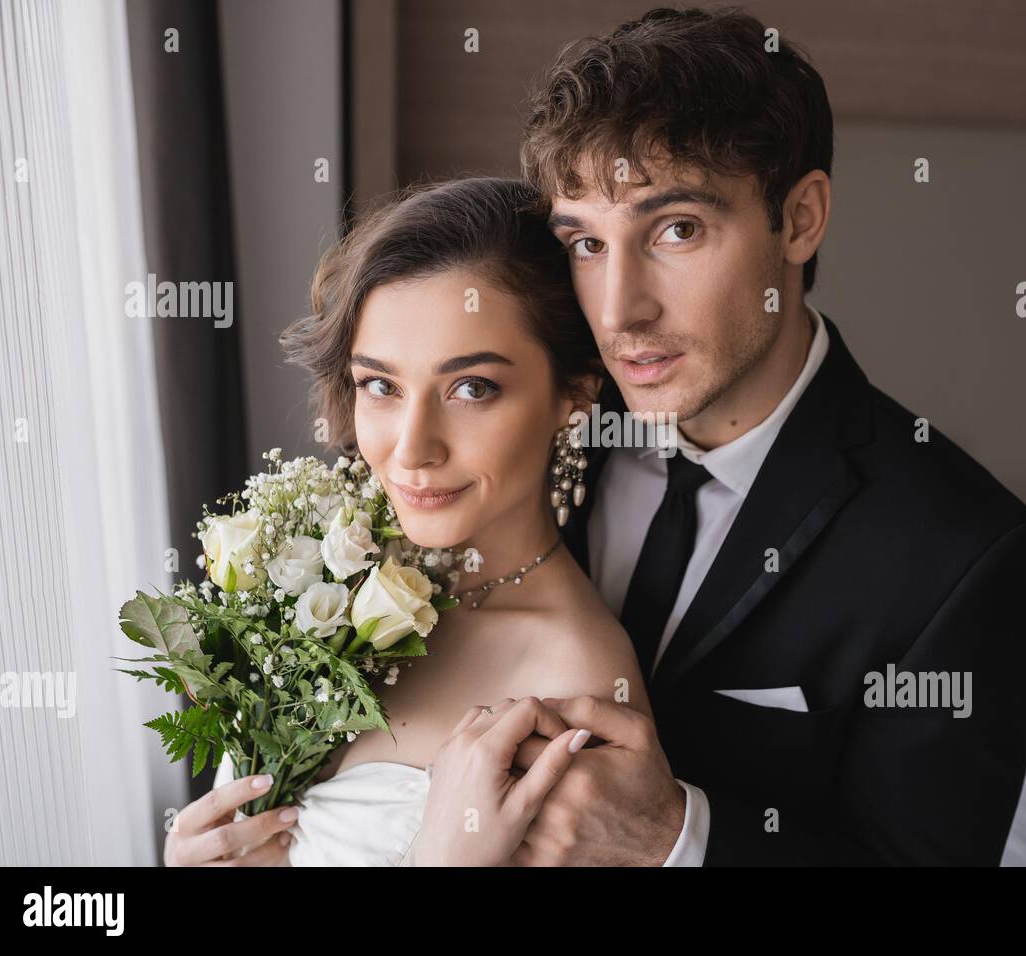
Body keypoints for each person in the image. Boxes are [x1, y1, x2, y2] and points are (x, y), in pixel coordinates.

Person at [419, 6, 1026, 866]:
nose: (618, 311)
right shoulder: (523, 420)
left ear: (801, 218)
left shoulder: (963, 553)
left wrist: (676, 837)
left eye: (676, 230)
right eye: (586, 243)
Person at [164, 176, 677, 866]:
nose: (411, 449)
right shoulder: (322, 577)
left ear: (574, 395)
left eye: (472, 388)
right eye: (381, 385)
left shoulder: (572, 682)